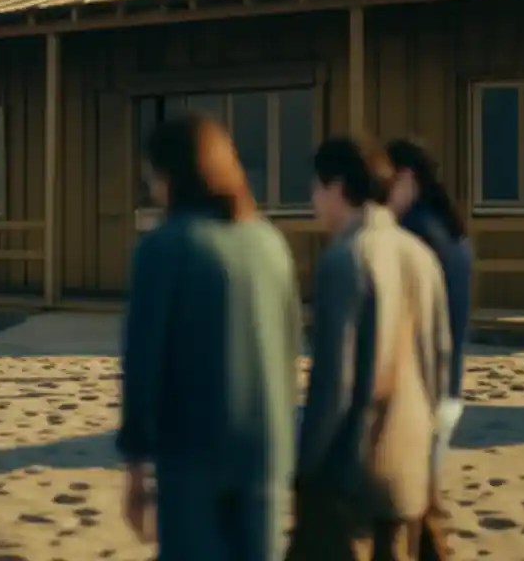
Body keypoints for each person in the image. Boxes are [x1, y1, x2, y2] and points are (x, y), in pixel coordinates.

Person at [117, 113, 303, 561]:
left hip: (192, 453)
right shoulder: (269, 243)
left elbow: (143, 364)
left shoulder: (164, 248)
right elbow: (290, 351)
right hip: (265, 450)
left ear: (169, 176)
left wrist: (136, 466)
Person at [289, 136, 452, 561]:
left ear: (336, 186)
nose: (313, 202)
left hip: (353, 473)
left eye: (316, 189)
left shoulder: (346, 258)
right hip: (409, 466)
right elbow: (439, 364)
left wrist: (305, 469)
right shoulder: (421, 255)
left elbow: (335, 384)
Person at [385, 139, 472, 457]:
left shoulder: (414, 230)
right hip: (448, 383)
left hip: (419, 387)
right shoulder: (452, 227)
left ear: (406, 178)